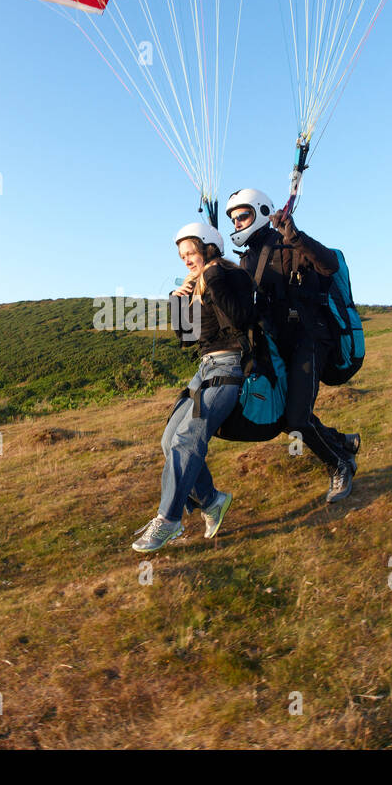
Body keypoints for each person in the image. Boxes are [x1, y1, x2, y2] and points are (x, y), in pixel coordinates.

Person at [225, 188, 360, 504]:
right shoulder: (246, 261)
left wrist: (295, 235)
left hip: (308, 339)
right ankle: (341, 442)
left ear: (260, 211)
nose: (237, 223)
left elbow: (329, 266)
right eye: (233, 219)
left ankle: (340, 464)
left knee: (298, 418)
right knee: (285, 418)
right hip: (276, 347)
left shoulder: (287, 242)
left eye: (242, 215)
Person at [132, 221, 255, 552]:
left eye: (192, 252)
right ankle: (213, 500)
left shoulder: (231, 277)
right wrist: (178, 300)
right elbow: (186, 339)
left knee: (187, 440)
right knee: (168, 439)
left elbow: (240, 318)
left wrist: (212, 278)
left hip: (228, 368)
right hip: (203, 371)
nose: (187, 260)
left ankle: (168, 520)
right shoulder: (197, 285)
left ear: (209, 248)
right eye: (182, 255)